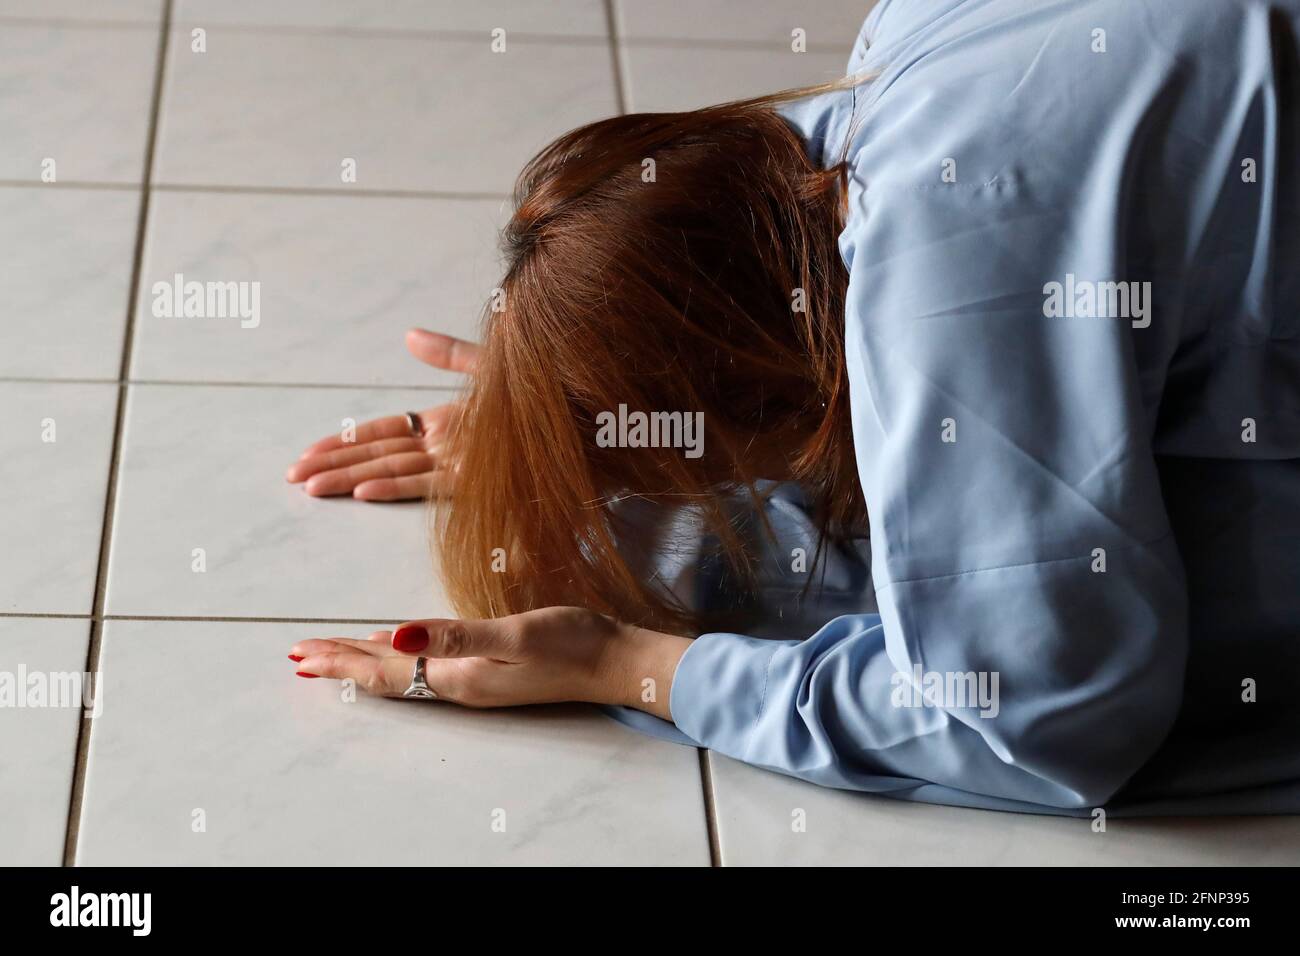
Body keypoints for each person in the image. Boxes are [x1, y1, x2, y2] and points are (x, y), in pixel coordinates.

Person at [284, 0, 1300, 815]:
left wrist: (633, 664)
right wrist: (558, 409)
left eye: (707, 455)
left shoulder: (945, 278)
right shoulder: (902, 46)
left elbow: (1043, 717)